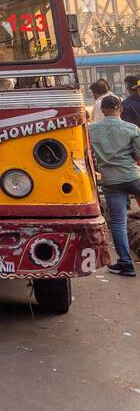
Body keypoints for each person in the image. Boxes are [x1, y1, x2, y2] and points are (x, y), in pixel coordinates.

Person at [86, 94, 139, 277]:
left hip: (111, 181)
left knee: (118, 223)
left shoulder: (90, 130)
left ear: (102, 110)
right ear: (121, 109)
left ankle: (126, 264)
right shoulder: (132, 128)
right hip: (133, 177)